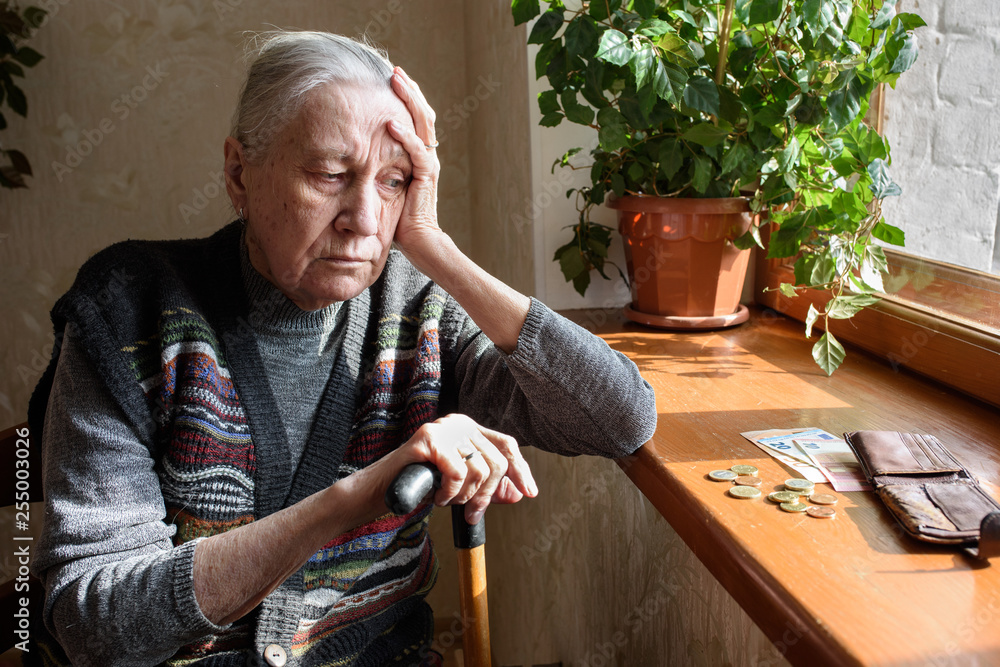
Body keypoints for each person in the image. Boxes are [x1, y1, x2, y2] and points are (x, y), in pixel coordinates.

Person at [27, 31, 657, 666]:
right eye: (331, 175)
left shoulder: (416, 309)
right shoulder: (127, 313)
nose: (363, 216)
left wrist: (434, 247)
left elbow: (619, 418)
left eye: (394, 181)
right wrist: (359, 494)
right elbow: (94, 621)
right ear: (239, 172)